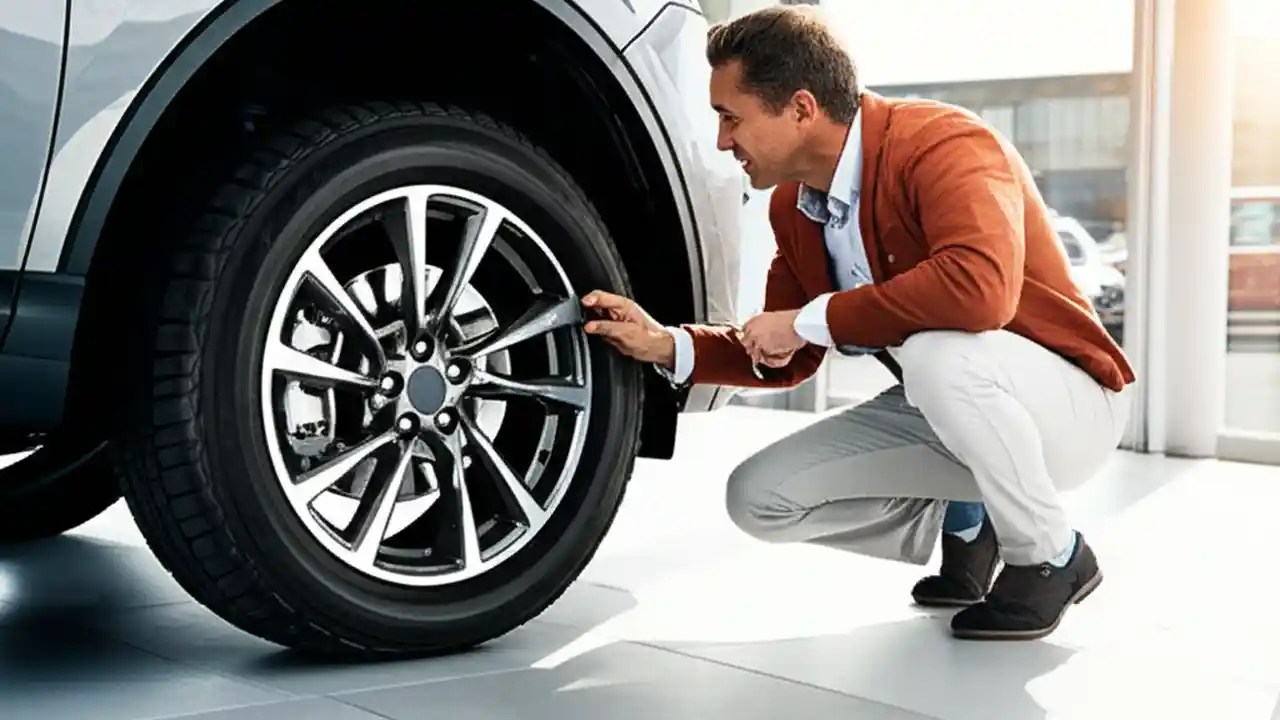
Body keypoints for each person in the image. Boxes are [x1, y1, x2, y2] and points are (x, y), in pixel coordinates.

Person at [580, 5, 1135, 641]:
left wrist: (814, 318)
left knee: (936, 356)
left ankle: (1051, 556)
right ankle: (967, 517)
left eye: (731, 118)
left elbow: (980, 290)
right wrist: (664, 342)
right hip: (948, 406)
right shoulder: (794, 207)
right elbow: (788, 351)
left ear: (801, 108)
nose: (722, 141)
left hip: (1066, 405)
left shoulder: (945, 143)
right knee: (758, 498)